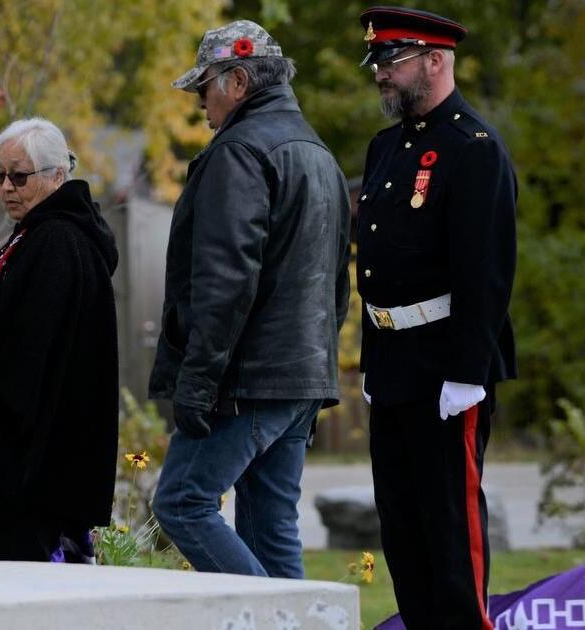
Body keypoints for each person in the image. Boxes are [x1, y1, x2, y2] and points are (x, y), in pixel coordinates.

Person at [148, 20, 352, 578]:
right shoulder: (318, 154)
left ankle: (262, 617)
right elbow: (338, 284)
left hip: (246, 380)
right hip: (301, 378)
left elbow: (225, 282)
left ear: (237, 81)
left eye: (204, 88)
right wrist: (316, 365)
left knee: (182, 503)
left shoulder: (238, 152)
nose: (200, 105)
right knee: (269, 525)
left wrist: (198, 382)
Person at [355, 6, 517, 628]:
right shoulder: (385, 148)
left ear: (435, 61)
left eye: (392, 62)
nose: (381, 76)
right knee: (403, 531)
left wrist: (468, 371)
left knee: (452, 537)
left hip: (448, 367)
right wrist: (373, 358)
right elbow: (375, 265)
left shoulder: (472, 149)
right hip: (393, 363)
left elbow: (487, 270)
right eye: (378, 63)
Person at [0, 118, 119, 562]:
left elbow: (29, 341)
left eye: (19, 176)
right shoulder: (43, 233)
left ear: (57, 177)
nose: (6, 187)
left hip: (37, 466)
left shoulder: (58, 239)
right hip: (37, 464)